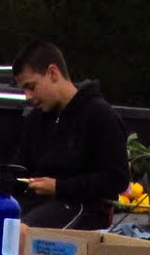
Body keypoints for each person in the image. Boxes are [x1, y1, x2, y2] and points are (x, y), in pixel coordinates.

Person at [10, 41, 129, 231]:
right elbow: (19, 169)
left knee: (19, 233)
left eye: (31, 87)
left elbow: (116, 178)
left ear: (53, 73)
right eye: (23, 89)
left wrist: (60, 187)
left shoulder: (99, 115)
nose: (27, 96)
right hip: (38, 203)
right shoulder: (36, 120)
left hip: (85, 209)